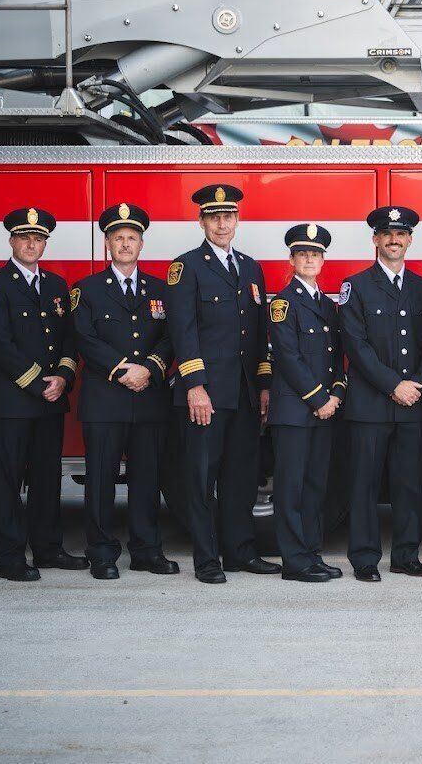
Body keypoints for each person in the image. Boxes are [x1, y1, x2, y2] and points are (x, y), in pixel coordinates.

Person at [166, 184, 277, 584]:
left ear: (237, 220)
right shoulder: (186, 267)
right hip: (207, 395)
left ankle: (240, 552)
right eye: (213, 218)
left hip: (244, 395)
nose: (221, 224)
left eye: (227, 217)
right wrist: (195, 386)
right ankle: (207, 560)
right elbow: (182, 331)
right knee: (201, 480)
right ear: (201, 222)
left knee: (241, 479)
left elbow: (259, 333)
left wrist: (263, 385)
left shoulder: (250, 268)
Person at [70, 203, 179, 580]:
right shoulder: (86, 290)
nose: (125, 244)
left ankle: (146, 551)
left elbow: (171, 337)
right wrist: (123, 370)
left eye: (132, 238)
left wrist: (149, 368)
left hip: (149, 397)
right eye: (118, 238)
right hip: (105, 400)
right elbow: (84, 338)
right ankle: (101, 553)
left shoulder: (161, 290)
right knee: (100, 481)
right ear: (107, 244)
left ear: (141, 244)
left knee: (147, 479)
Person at [0, 207, 85, 581]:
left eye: (38, 239)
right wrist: (42, 384)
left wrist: (64, 378)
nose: (31, 244)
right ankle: (9, 557)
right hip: (13, 401)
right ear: (12, 241)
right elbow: (0, 346)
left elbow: (69, 338)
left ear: (44, 244)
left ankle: (48, 549)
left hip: (51, 400)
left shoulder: (56, 286)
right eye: (25, 237)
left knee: (47, 477)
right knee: (7, 480)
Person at [340, 206, 422, 581]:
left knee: (409, 484)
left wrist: (418, 385)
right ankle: (365, 559)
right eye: (387, 234)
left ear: (409, 240)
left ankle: (406, 556)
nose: (394, 240)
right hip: (370, 405)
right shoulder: (356, 286)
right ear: (376, 240)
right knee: (364, 485)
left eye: (400, 234)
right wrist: (393, 385)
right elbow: (356, 345)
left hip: (412, 404)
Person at [267, 224, 345, 583]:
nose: (309, 259)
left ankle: (312, 554)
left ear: (323, 260)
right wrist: (319, 399)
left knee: (316, 487)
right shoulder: (283, 303)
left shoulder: (328, 305)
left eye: (315, 254)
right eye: (302, 254)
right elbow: (288, 356)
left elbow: (337, 358)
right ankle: (294, 562)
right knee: (291, 489)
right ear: (292, 260)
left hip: (324, 410)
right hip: (295, 412)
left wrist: (337, 395)